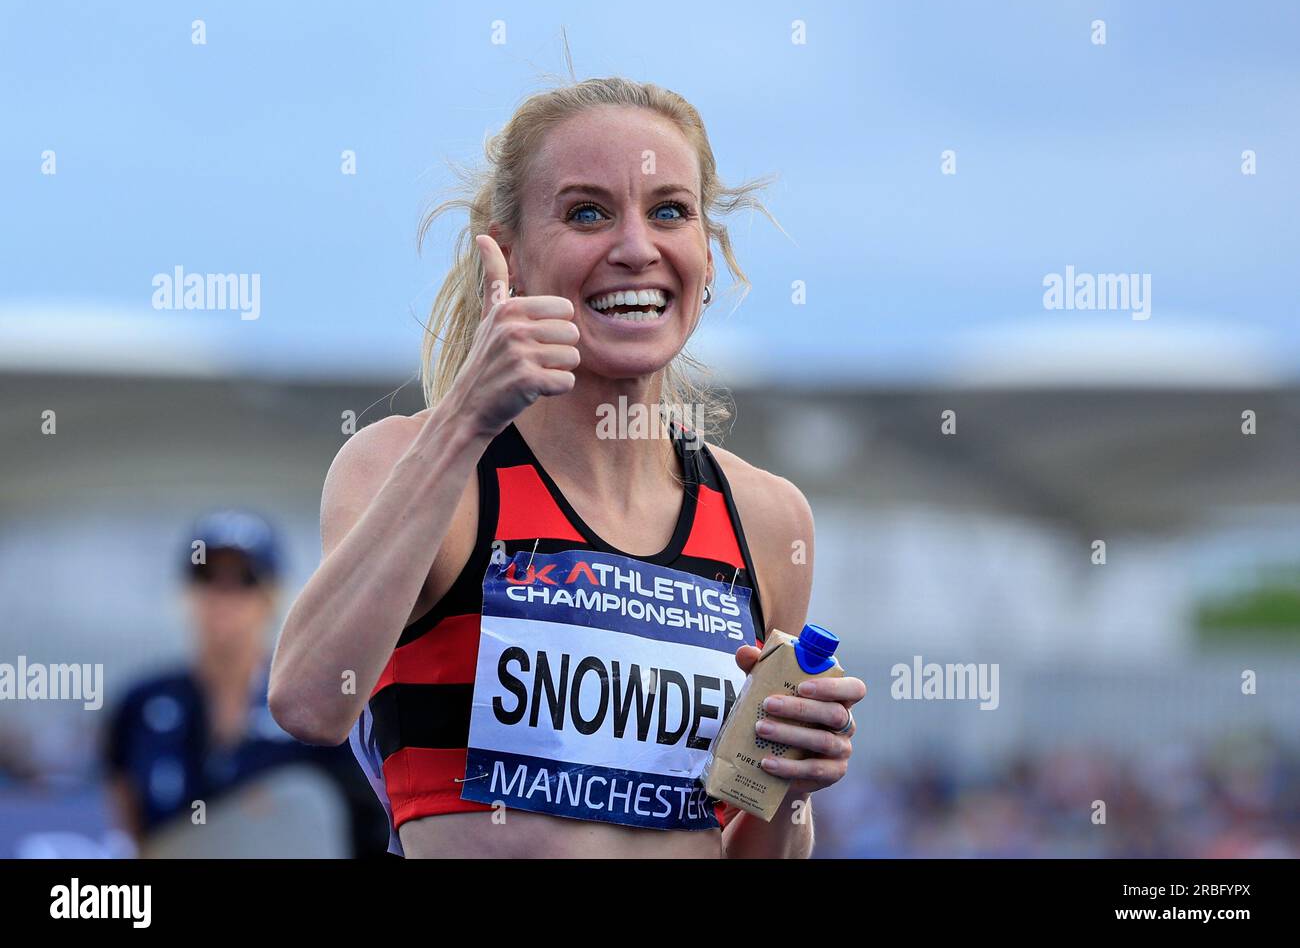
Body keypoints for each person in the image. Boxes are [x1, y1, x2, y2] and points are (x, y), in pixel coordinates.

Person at [269, 75, 867, 858]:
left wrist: (792, 782)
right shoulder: (413, 462)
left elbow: (750, 846)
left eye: (669, 211)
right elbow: (310, 704)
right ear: (508, 254)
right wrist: (464, 422)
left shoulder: (765, 516)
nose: (634, 247)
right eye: (587, 212)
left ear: (709, 259)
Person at [104, 510, 387, 857]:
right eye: (208, 578)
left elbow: (363, 822)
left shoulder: (316, 705)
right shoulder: (142, 705)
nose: (223, 597)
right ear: (187, 595)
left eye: (243, 580)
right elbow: (132, 828)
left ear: (271, 598)